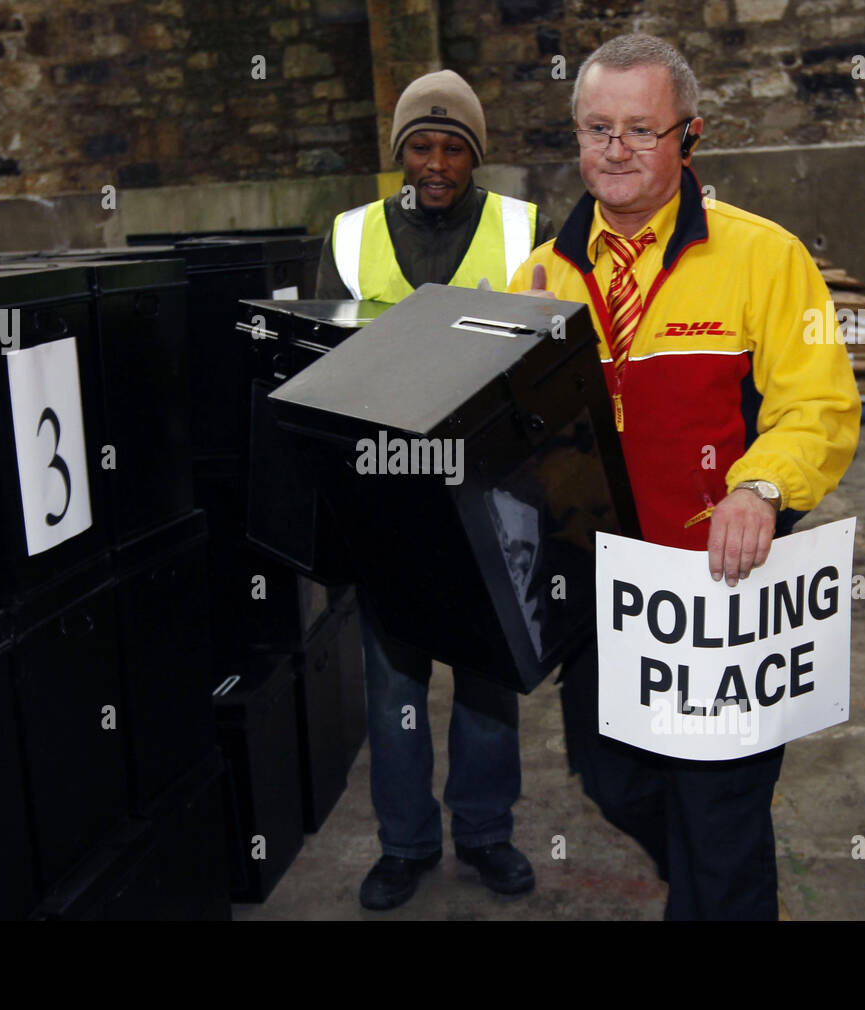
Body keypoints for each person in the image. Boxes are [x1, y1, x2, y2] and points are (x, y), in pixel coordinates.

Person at [508, 33, 860, 920]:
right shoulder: (540, 277)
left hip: (722, 589)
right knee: (608, 778)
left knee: (723, 812)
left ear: (689, 139)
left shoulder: (764, 257)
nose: (615, 149)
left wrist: (762, 486)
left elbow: (818, 407)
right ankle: (699, 884)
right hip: (598, 591)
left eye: (640, 129)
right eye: (597, 128)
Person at [316, 69, 556, 911]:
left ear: (476, 155)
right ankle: (405, 843)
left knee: (489, 671)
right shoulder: (350, 239)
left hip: (489, 491)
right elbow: (318, 370)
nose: (438, 162)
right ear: (400, 153)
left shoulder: (525, 230)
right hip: (386, 493)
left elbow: (551, 361)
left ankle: (487, 833)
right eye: (422, 144)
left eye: (455, 147)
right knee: (396, 683)